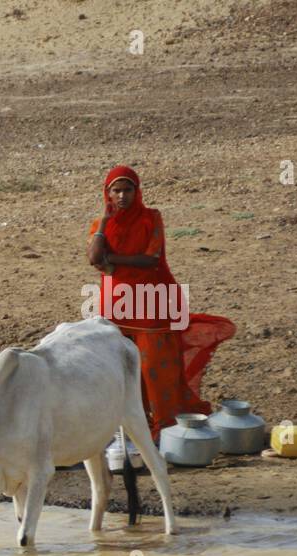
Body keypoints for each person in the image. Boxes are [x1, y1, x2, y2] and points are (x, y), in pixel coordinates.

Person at [87, 165, 235, 438]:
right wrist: (106, 224)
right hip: (117, 305)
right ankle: (131, 423)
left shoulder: (151, 218)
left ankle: (165, 425)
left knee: (154, 365)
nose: (122, 196)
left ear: (137, 191)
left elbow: (151, 259)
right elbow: (94, 258)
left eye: (127, 190)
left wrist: (113, 259)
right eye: (115, 191)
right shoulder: (101, 225)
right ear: (107, 193)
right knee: (123, 366)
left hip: (151, 301)